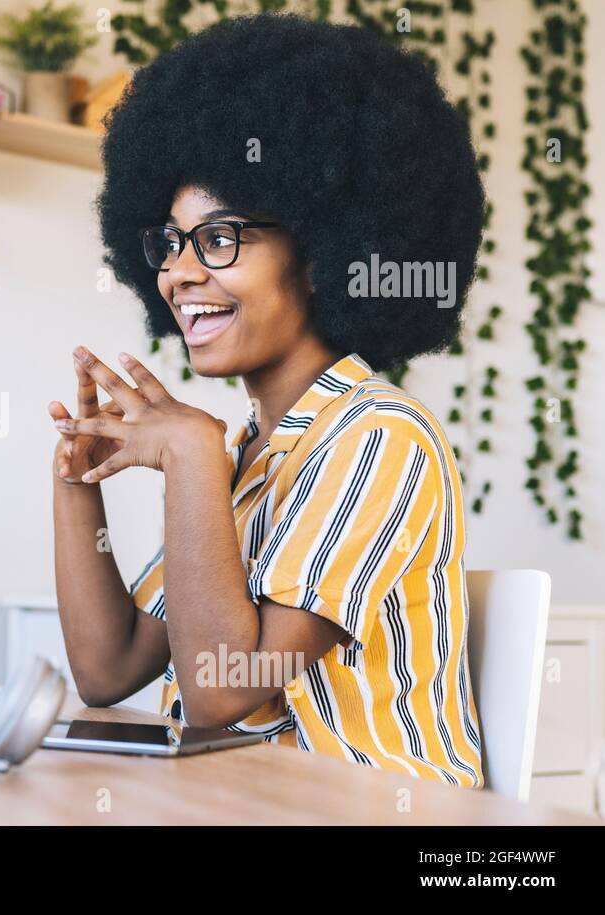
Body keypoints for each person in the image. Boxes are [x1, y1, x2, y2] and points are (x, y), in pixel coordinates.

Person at [50, 14, 485, 786]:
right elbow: (107, 667)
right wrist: (77, 483)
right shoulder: (255, 455)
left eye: (218, 238)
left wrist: (188, 453)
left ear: (323, 254)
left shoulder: (378, 436)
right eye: (170, 242)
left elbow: (221, 689)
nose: (179, 273)